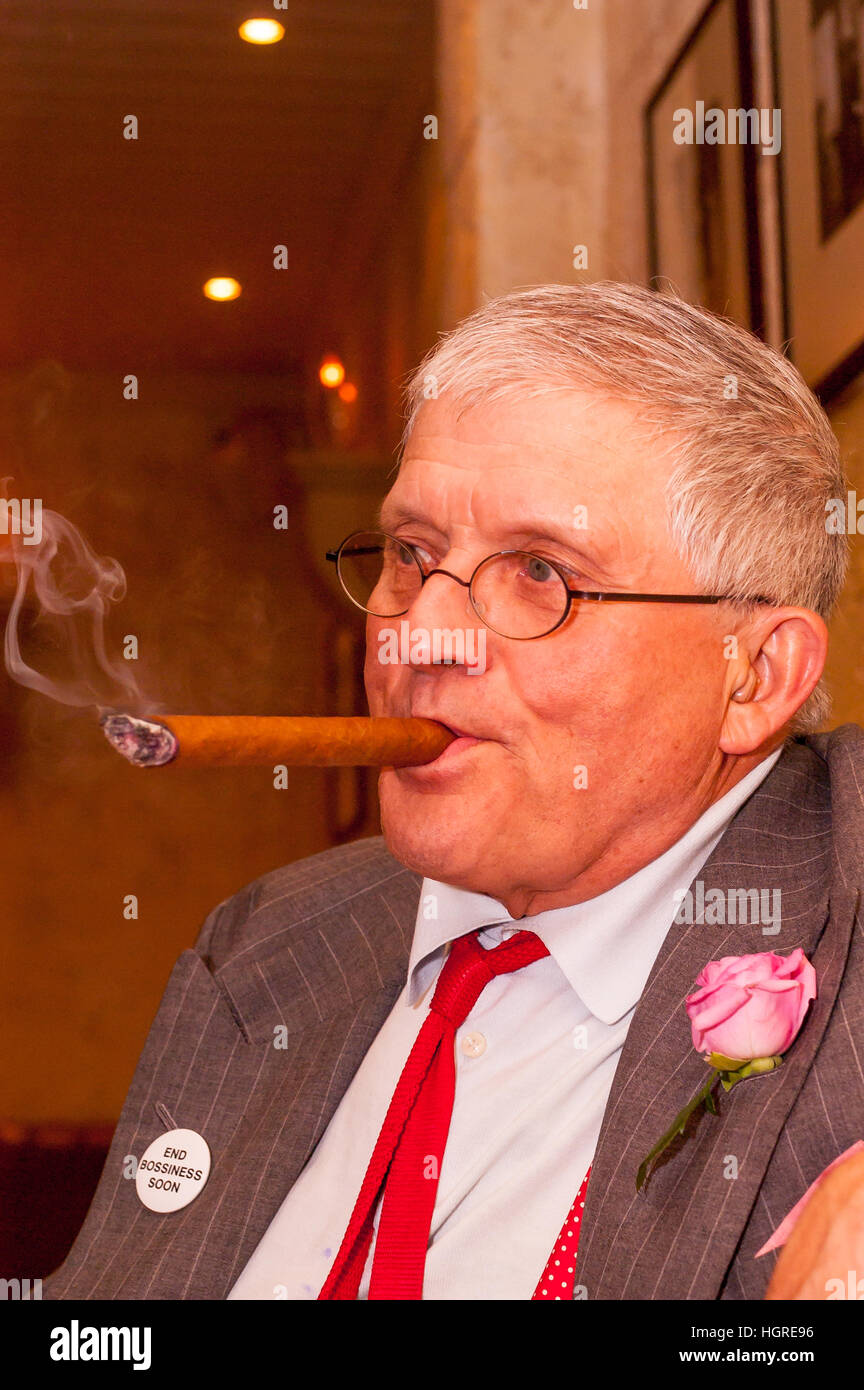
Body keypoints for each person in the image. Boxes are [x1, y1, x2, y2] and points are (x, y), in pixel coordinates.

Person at [44, 283, 864, 1300]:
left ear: (755, 676)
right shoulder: (265, 944)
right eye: (412, 555)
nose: (415, 633)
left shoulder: (848, 892)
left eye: (539, 571)